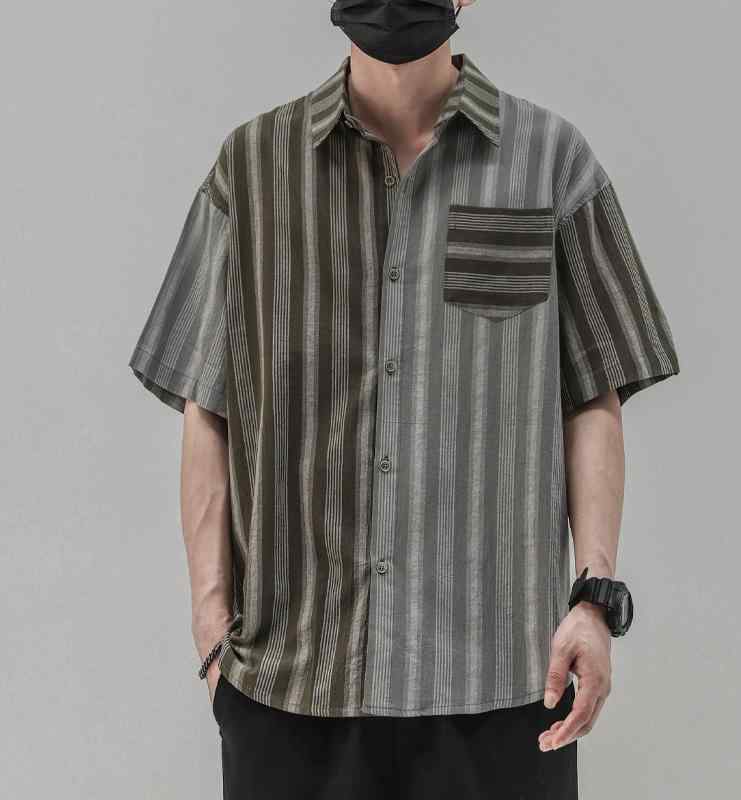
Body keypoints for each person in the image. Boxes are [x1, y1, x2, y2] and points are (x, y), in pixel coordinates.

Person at [127, 1, 680, 797]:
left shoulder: (551, 162)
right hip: (293, 687)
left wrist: (593, 604)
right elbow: (204, 407)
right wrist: (212, 631)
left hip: (505, 686)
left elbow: (592, 397)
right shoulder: (250, 168)